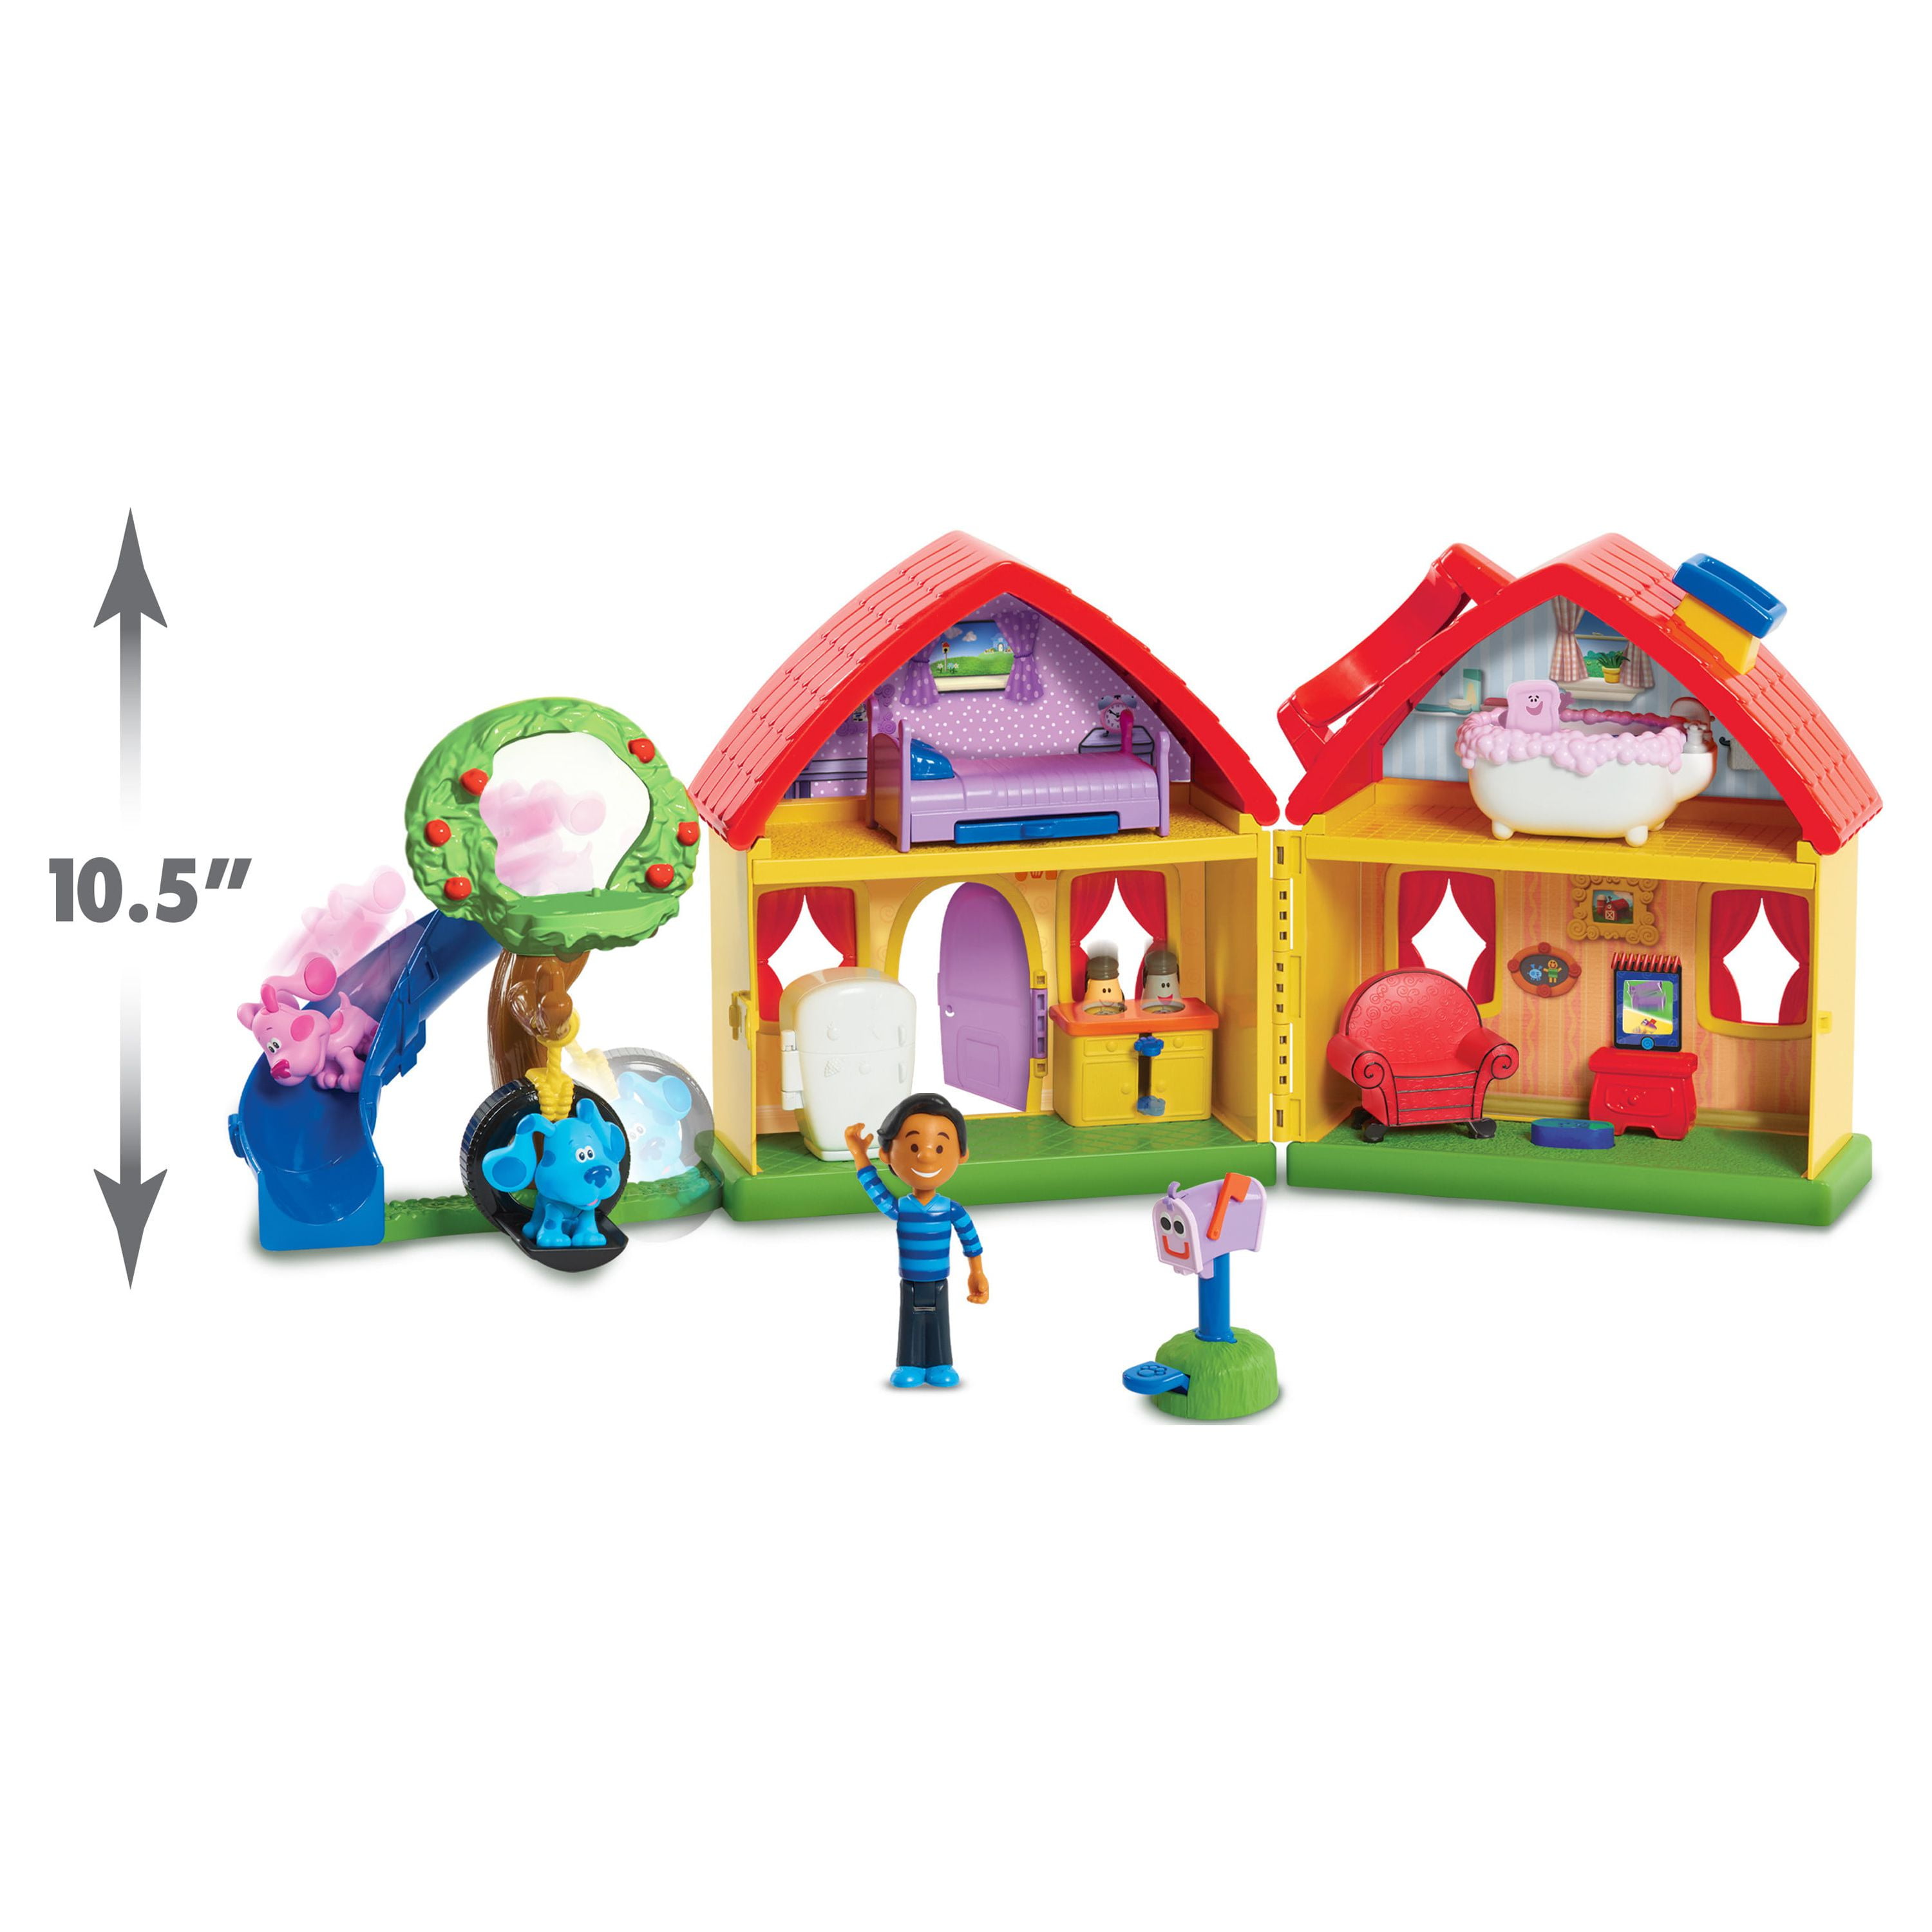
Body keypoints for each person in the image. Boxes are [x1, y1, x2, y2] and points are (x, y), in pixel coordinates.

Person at [844, 1093, 989, 1388]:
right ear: (887, 1154)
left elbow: (970, 1239)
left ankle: (940, 1363)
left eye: (940, 1147)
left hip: (939, 1282)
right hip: (910, 1280)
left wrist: (977, 1272)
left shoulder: (950, 1209)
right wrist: (860, 1155)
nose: (926, 1156)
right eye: (913, 1146)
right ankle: (909, 1363)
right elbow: (876, 1192)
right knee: (909, 1321)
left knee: (940, 1323)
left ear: (961, 1155)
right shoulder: (902, 1208)